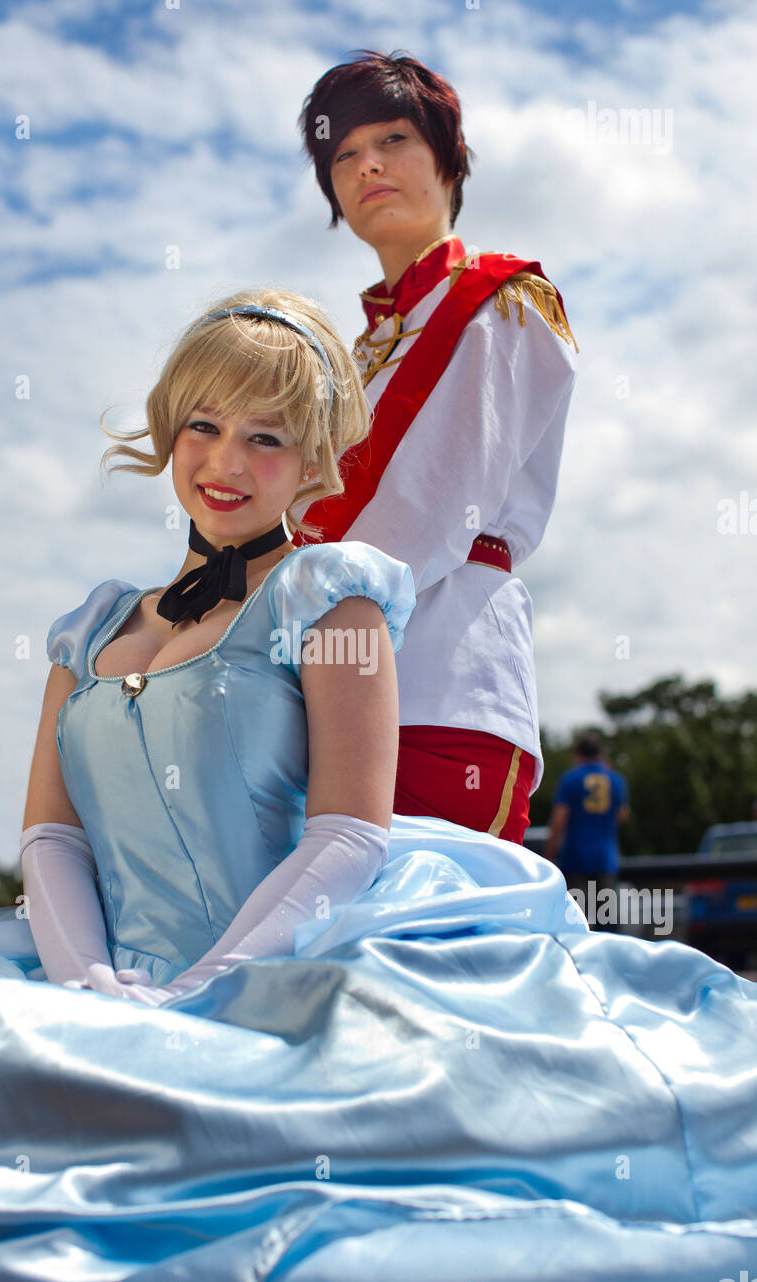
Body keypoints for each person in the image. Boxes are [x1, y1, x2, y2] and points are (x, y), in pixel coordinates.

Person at [0, 290, 755, 1282]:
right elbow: (50, 838)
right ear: (169, 431)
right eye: (203, 426)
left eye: (266, 437)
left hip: (279, 968)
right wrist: (89, 993)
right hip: (91, 977)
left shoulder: (332, 595)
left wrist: (199, 992)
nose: (224, 462)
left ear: (314, 462)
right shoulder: (88, 630)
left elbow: (348, 831)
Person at [295, 51, 579, 845]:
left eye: (392, 141)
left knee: (440, 942)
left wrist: (278, 643)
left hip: (443, 684)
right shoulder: (348, 355)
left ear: (448, 159)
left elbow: (432, 508)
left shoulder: (503, 299)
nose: (367, 166)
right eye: (342, 155)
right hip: (320, 684)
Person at [546, 730, 630, 926]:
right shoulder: (616, 780)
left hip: (575, 860)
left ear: (579, 754)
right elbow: (622, 815)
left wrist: (549, 854)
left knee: (577, 924)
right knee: (606, 926)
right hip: (605, 860)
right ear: (601, 754)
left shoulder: (570, 779)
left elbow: (559, 820)